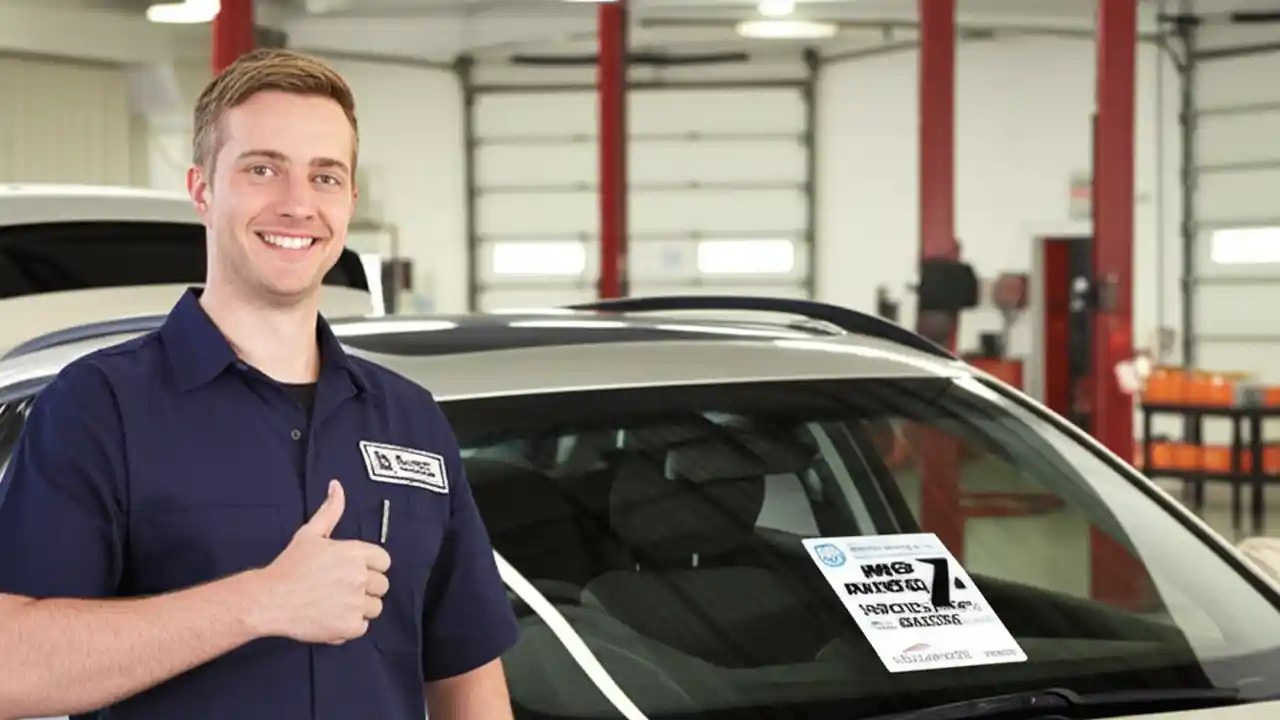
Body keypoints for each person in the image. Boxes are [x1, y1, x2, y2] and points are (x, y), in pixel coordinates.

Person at [0, 49, 519, 720]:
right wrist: (260, 602)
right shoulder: (99, 407)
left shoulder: (408, 419)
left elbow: (466, 676)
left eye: (325, 176)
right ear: (202, 189)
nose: (298, 203)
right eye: (263, 169)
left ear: (351, 201)